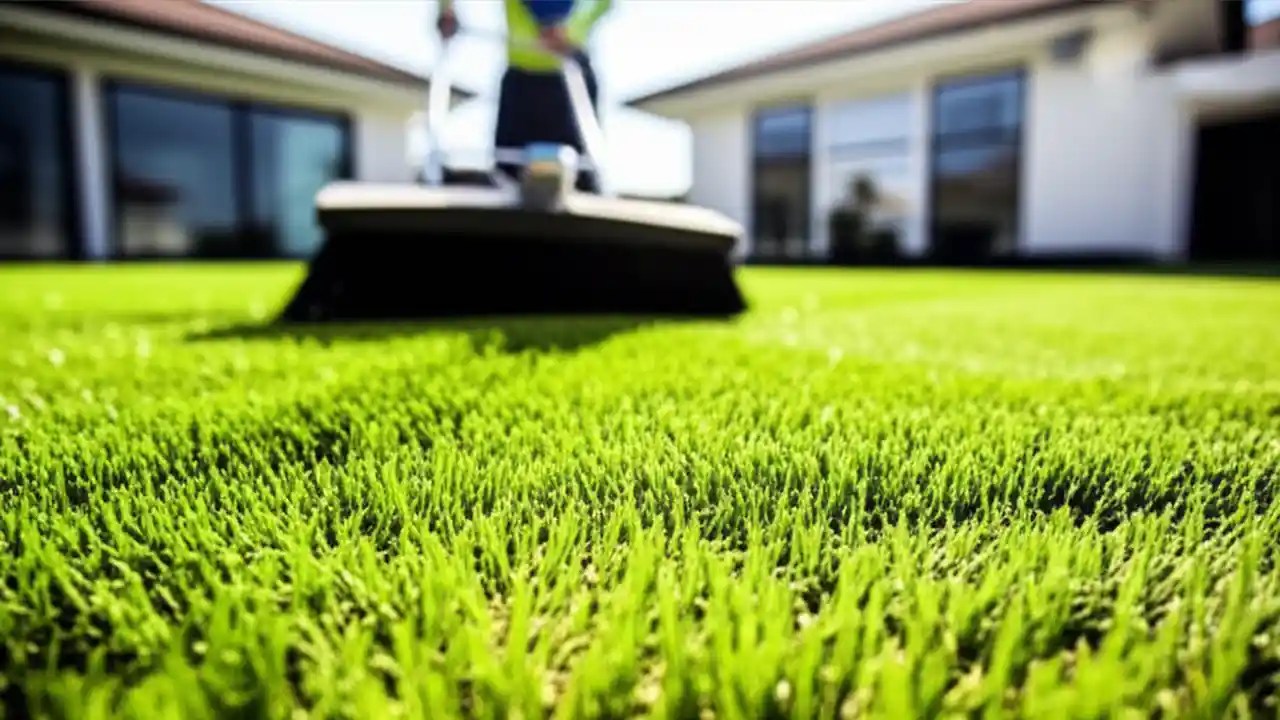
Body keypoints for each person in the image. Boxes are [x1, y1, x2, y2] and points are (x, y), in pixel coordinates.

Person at [437, 0, 613, 193]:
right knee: (508, 174)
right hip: (521, 82)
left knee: (584, 176)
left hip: (572, 80)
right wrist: (447, 9)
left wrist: (568, 33)